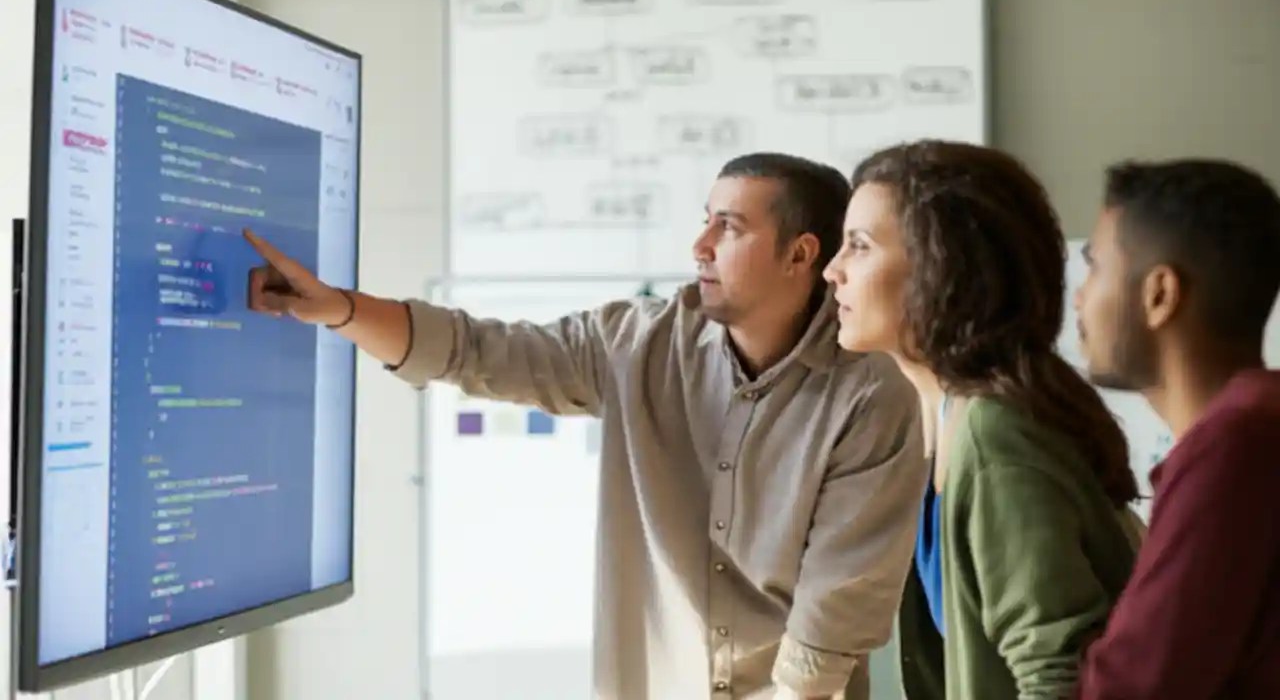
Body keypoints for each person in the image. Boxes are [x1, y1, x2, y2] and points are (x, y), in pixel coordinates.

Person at [243, 152, 927, 700]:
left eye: (730, 227)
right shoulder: (637, 340)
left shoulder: (871, 393)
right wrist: (338, 308)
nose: (700, 245)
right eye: (705, 221)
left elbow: (837, 606)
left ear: (801, 255)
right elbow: (478, 350)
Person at [821, 140, 1143, 700]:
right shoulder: (947, 416)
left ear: (939, 265)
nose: (833, 271)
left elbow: (1056, 677)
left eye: (860, 247)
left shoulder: (996, 433)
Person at [1074, 159, 1280, 699]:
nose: (1079, 297)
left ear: (1160, 293)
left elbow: (1134, 686)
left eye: (1095, 267)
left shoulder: (1237, 443)